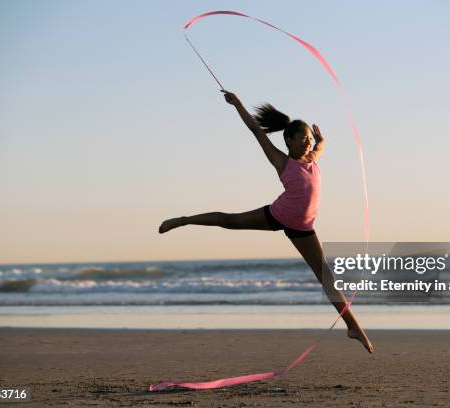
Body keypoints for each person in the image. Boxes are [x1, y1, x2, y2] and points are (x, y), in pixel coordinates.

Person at [159, 89, 373, 353]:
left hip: (302, 228)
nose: (308, 143)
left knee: (325, 277)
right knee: (229, 220)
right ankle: (183, 220)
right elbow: (255, 132)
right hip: (278, 214)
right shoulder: (281, 161)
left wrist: (321, 140)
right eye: (303, 139)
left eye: (308, 139)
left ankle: (353, 327)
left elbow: (320, 147)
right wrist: (237, 104)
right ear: (289, 140)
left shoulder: (312, 158)